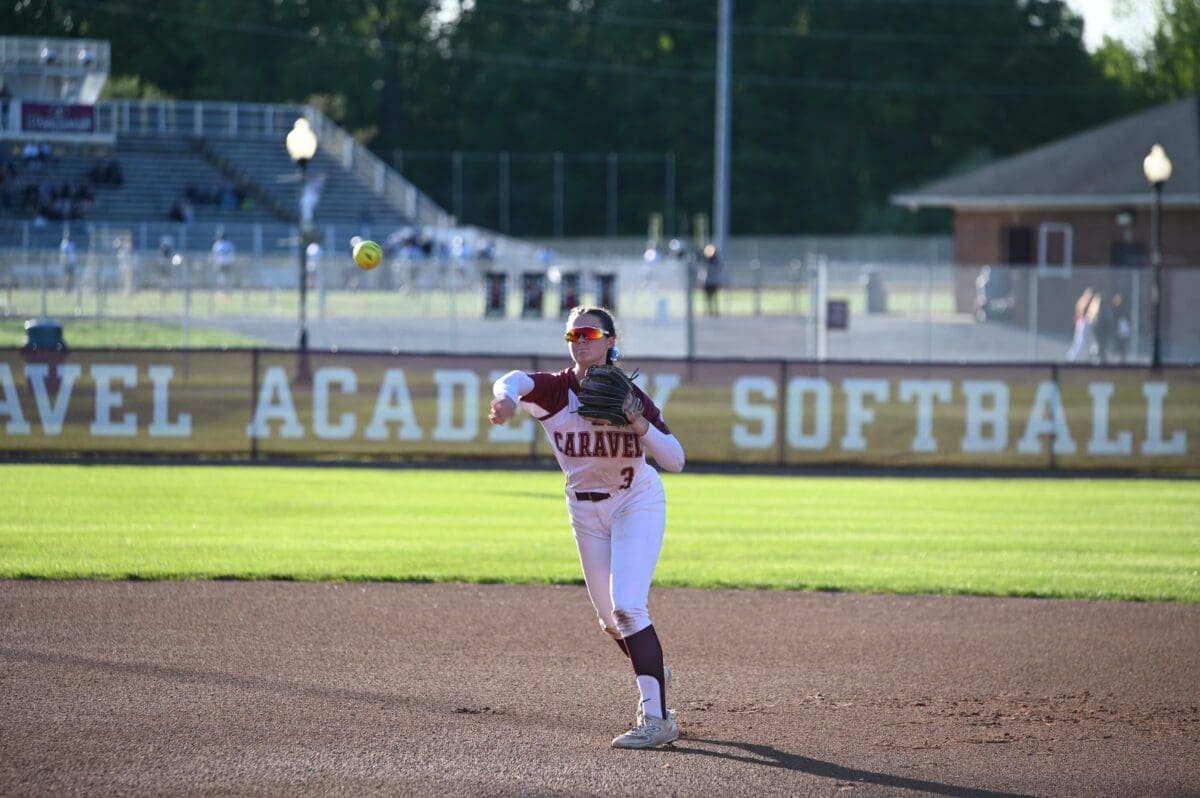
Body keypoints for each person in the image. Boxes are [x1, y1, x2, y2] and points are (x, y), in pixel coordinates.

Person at [488, 306, 686, 750]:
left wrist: (638, 422)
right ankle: (651, 671)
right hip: (585, 512)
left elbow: (675, 460)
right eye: (573, 334)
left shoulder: (631, 396)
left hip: (635, 501)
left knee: (629, 608)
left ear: (611, 341)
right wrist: (504, 399)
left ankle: (657, 718)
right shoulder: (558, 391)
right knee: (611, 622)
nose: (580, 340)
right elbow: (516, 379)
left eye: (591, 333)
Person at [1066, 287, 1095, 362]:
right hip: (1082, 323)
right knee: (1079, 342)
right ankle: (1071, 357)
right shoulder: (1083, 301)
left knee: (1090, 342)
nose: (1090, 295)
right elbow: (1081, 313)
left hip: (1086, 323)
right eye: (1089, 293)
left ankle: (1091, 359)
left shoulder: (1089, 302)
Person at [1112, 293, 1131, 363]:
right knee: (1120, 345)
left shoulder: (1122, 309)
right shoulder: (1116, 309)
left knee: (1122, 345)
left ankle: (1122, 359)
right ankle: (1121, 358)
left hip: (1122, 329)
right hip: (1120, 330)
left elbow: (1124, 320)